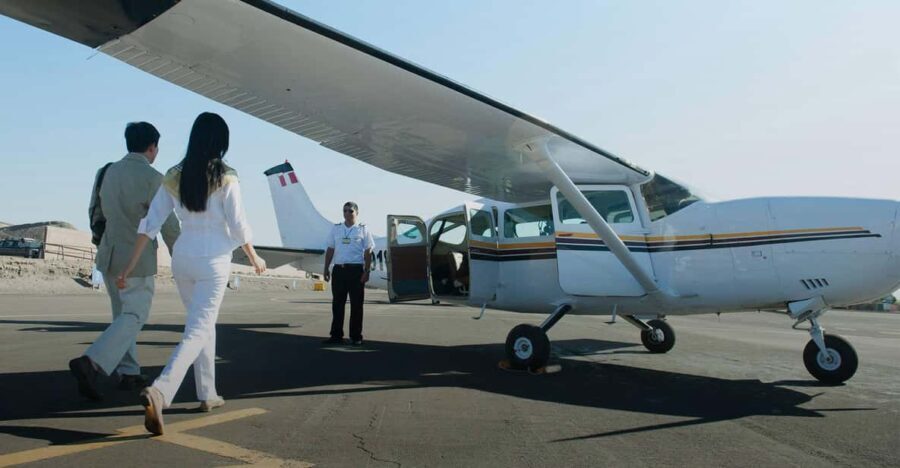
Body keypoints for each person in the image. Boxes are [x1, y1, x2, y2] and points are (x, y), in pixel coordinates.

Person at [117, 112, 266, 435]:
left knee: (201, 324)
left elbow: (150, 223)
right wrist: (254, 256)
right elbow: (238, 223)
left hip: (183, 257)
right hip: (213, 259)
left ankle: (207, 393)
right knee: (199, 328)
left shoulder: (174, 175)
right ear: (221, 141)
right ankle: (161, 391)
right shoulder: (226, 176)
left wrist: (128, 266)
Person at [69, 122, 180, 401]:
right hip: (137, 260)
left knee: (121, 316)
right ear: (152, 147)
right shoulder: (154, 179)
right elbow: (168, 224)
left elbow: (94, 211)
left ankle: (128, 371)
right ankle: (91, 362)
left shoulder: (106, 172)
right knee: (135, 315)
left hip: (109, 254)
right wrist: (180, 257)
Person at [322, 202, 374, 346]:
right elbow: (330, 249)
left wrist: (367, 271)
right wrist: (326, 268)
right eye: (344, 211)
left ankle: (356, 336)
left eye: (350, 211)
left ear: (357, 213)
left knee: (356, 305)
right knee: (337, 304)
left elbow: (368, 251)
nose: (347, 213)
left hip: (356, 271)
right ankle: (336, 336)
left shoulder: (363, 229)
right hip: (339, 270)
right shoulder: (336, 229)